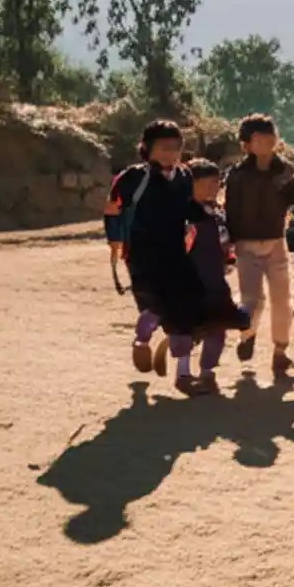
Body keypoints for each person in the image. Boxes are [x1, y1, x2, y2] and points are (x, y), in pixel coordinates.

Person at [104, 120, 210, 387]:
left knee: (185, 312)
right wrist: (115, 241)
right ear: (147, 148)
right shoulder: (132, 179)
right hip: (142, 256)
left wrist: (206, 214)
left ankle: (184, 374)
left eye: (175, 148)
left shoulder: (184, 176)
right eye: (164, 148)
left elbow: (187, 208)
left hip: (175, 252)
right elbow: (112, 209)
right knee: (155, 306)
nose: (170, 154)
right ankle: (142, 340)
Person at [224, 114, 294, 375]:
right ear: (246, 145)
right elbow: (231, 211)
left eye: (271, 138)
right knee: (254, 299)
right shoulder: (237, 176)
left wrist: (289, 183)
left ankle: (280, 352)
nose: (267, 143)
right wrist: (231, 241)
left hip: (276, 241)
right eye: (259, 139)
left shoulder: (285, 169)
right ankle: (247, 334)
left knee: (283, 300)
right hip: (246, 243)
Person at [170, 158, 251, 395]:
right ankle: (183, 374)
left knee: (217, 329)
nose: (210, 188)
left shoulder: (218, 215)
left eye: (214, 183)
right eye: (202, 184)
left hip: (215, 283)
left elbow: (227, 245)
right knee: (184, 330)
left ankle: (207, 373)